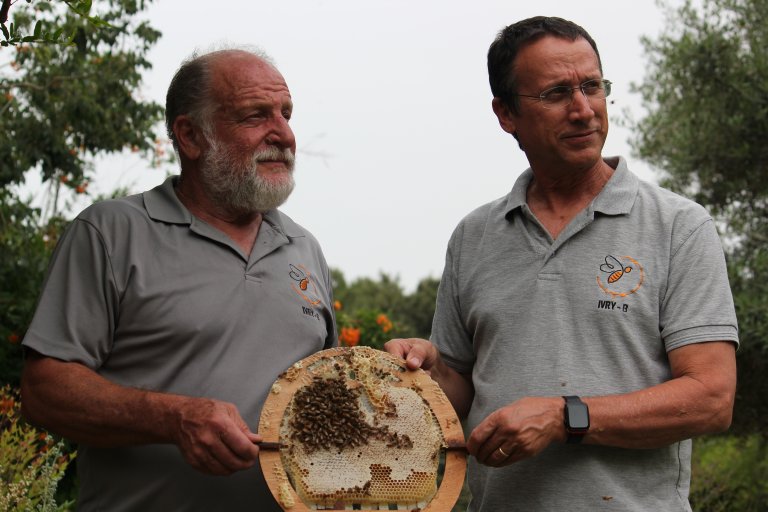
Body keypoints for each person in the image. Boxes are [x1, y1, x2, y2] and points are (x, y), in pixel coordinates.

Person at [386, 16, 738, 512]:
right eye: (556, 93)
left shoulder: (678, 225)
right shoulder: (474, 236)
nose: (583, 110)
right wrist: (431, 365)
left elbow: (712, 398)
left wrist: (562, 417)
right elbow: (459, 397)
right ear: (506, 113)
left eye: (592, 86)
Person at [20, 46, 337, 511]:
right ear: (190, 136)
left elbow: (327, 395)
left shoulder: (304, 248)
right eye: (255, 116)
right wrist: (174, 418)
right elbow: (43, 391)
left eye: (286, 114)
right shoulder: (111, 232)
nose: (285, 135)